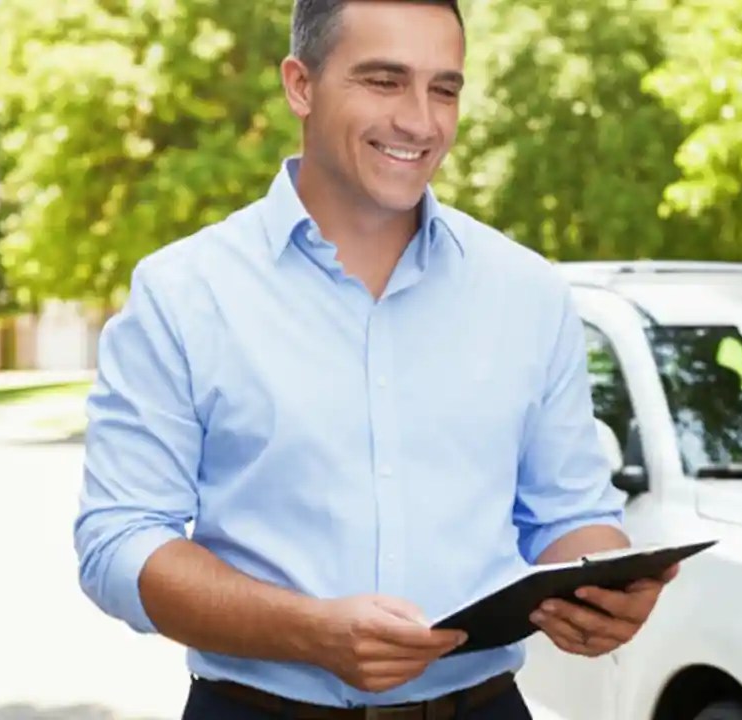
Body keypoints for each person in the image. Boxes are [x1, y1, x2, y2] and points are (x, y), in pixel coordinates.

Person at [73, 0, 678, 718]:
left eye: (443, 88)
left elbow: (568, 513)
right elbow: (119, 541)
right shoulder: (184, 292)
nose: (420, 121)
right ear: (301, 84)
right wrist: (310, 634)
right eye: (384, 81)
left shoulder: (528, 293)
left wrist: (601, 584)